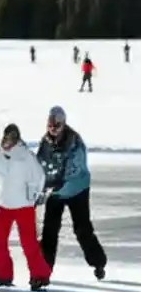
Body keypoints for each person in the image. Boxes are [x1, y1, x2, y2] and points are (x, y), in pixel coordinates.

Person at [0, 124, 52, 291]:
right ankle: (3, 275)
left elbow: (39, 176)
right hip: (4, 204)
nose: (7, 141)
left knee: (29, 244)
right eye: (6, 137)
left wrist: (37, 194)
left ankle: (40, 276)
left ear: (17, 139)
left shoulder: (26, 156)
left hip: (24, 206)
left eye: (11, 138)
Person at [38, 106, 107, 280]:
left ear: (63, 124)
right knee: (49, 231)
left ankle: (98, 262)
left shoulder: (75, 142)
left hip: (77, 188)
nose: (53, 128)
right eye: (50, 125)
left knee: (82, 228)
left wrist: (55, 184)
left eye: (57, 125)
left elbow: (74, 169)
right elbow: (40, 164)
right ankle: (44, 270)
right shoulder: (45, 142)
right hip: (55, 191)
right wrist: (37, 186)